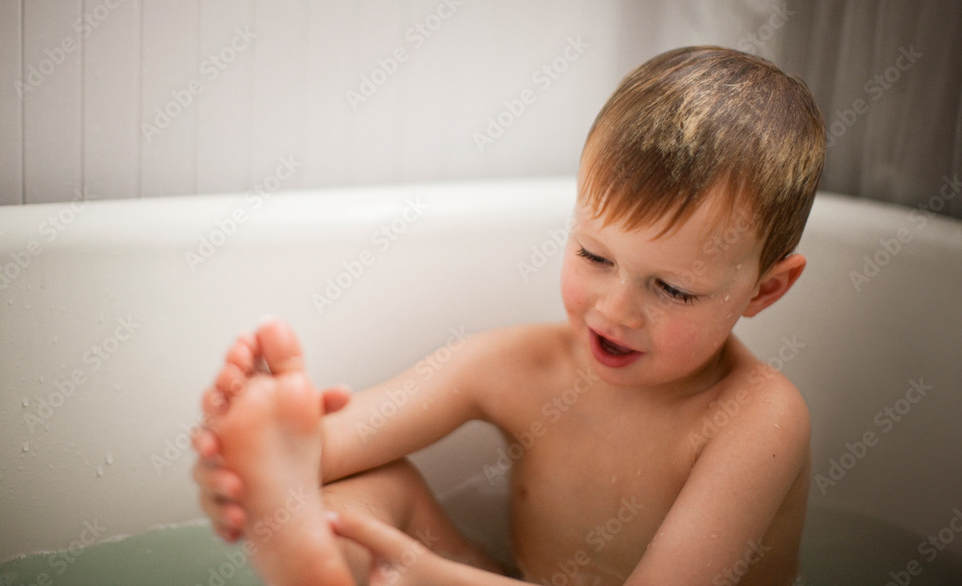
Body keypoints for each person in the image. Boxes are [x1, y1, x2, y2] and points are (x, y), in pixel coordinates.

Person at [192, 45, 825, 585]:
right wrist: (262, 463)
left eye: (673, 289)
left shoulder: (757, 418)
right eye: (594, 255)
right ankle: (315, 563)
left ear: (765, 291)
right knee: (366, 493)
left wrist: (435, 577)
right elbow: (335, 445)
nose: (615, 309)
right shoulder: (517, 366)